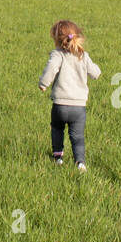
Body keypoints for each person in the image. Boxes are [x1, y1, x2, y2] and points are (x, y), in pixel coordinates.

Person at [37, 20, 102, 171]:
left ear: (56, 39)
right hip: (78, 108)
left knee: (57, 129)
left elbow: (50, 69)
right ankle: (80, 162)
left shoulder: (58, 55)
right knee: (77, 136)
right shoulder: (83, 55)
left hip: (60, 105)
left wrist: (43, 84)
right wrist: (96, 70)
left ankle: (58, 158)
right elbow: (95, 73)